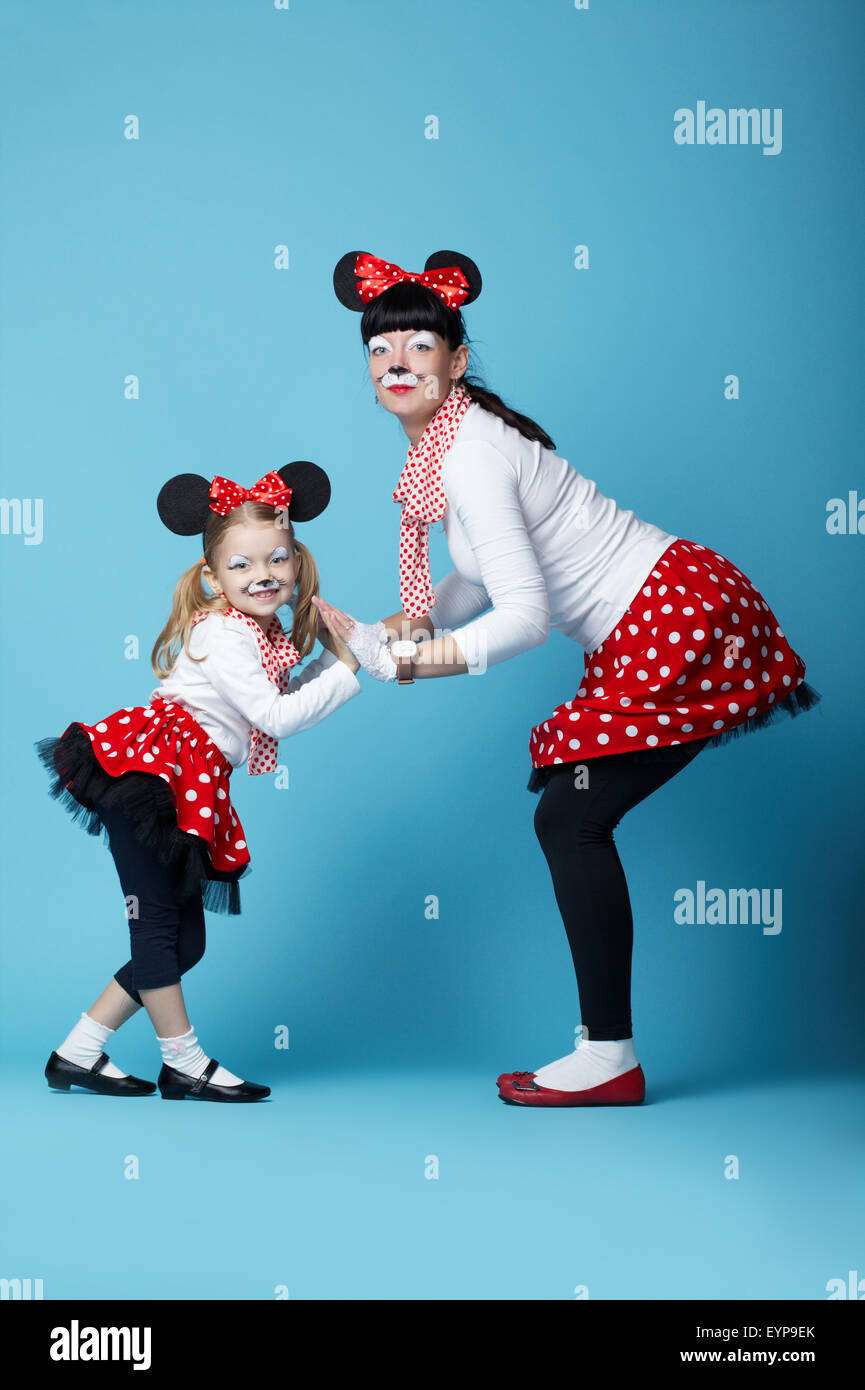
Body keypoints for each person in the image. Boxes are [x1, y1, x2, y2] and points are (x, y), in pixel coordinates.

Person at [315, 248, 822, 1108]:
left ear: (457, 361)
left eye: (418, 346)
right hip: (660, 610)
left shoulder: (468, 455)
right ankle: (606, 1052)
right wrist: (415, 619)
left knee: (570, 818)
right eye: (379, 348)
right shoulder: (450, 444)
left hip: (673, 614)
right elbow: (480, 576)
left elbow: (522, 618)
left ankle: (608, 1057)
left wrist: (410, 662)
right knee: (570, 816)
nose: (396, 362)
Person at [37, 463, 360, 1103]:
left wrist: (333, 656)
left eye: (278, 558)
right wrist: (346, 672)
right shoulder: (221, 632)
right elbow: (273, 715)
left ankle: (76, 1053)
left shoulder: (257, 634)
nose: (263, 574)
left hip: (189, 781)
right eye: (241, 566)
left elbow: (276, 693)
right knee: (158, 929)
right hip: (151, 778)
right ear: (213, 577)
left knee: (184, 940)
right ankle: (184, 1063)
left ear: (297, 562)